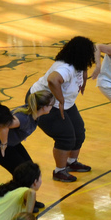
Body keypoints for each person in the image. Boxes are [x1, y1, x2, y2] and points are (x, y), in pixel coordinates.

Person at [28, 37, 101, 183]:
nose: (92, 56)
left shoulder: (78, 62)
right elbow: (53, 80)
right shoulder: (66, 68)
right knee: (66, 136)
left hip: (64, 103)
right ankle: (59, 171)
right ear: (82, 54)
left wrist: (84, 79)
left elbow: (90, 60)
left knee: (79, 131)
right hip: (44, 103)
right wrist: (60, 100)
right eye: (89, 53)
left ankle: (71, 162)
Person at [0, 91, 55, 176]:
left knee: (32, 171)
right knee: (24, 175)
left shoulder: (33, 112)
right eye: (51, 104)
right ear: (44, 107)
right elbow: (4, 125)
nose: (53, 106)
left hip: (12, 143)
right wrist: (4, 144)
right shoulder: (24, 119)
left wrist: (22, 135)